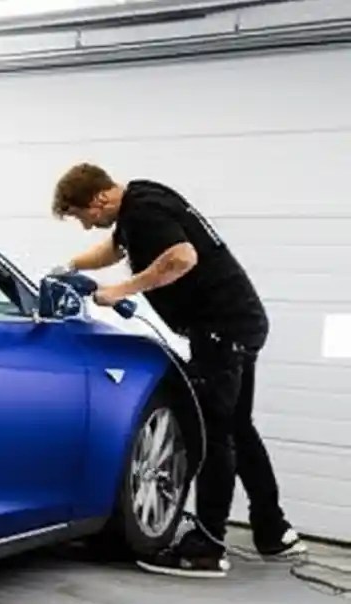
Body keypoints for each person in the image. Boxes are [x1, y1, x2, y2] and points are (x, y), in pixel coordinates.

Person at [50, 162, 307, 578]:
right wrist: (71, 267)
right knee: (238, 426)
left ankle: (205, 548)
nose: (86, 227)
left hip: (221, 330)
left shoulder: (144, 211)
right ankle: (273, 531)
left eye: (84, 217)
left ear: (99, 199)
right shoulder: (141, 199)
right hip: (239, 323)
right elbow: (117, 248)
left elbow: (182, 258)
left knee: (212, 432)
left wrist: (120, 290)